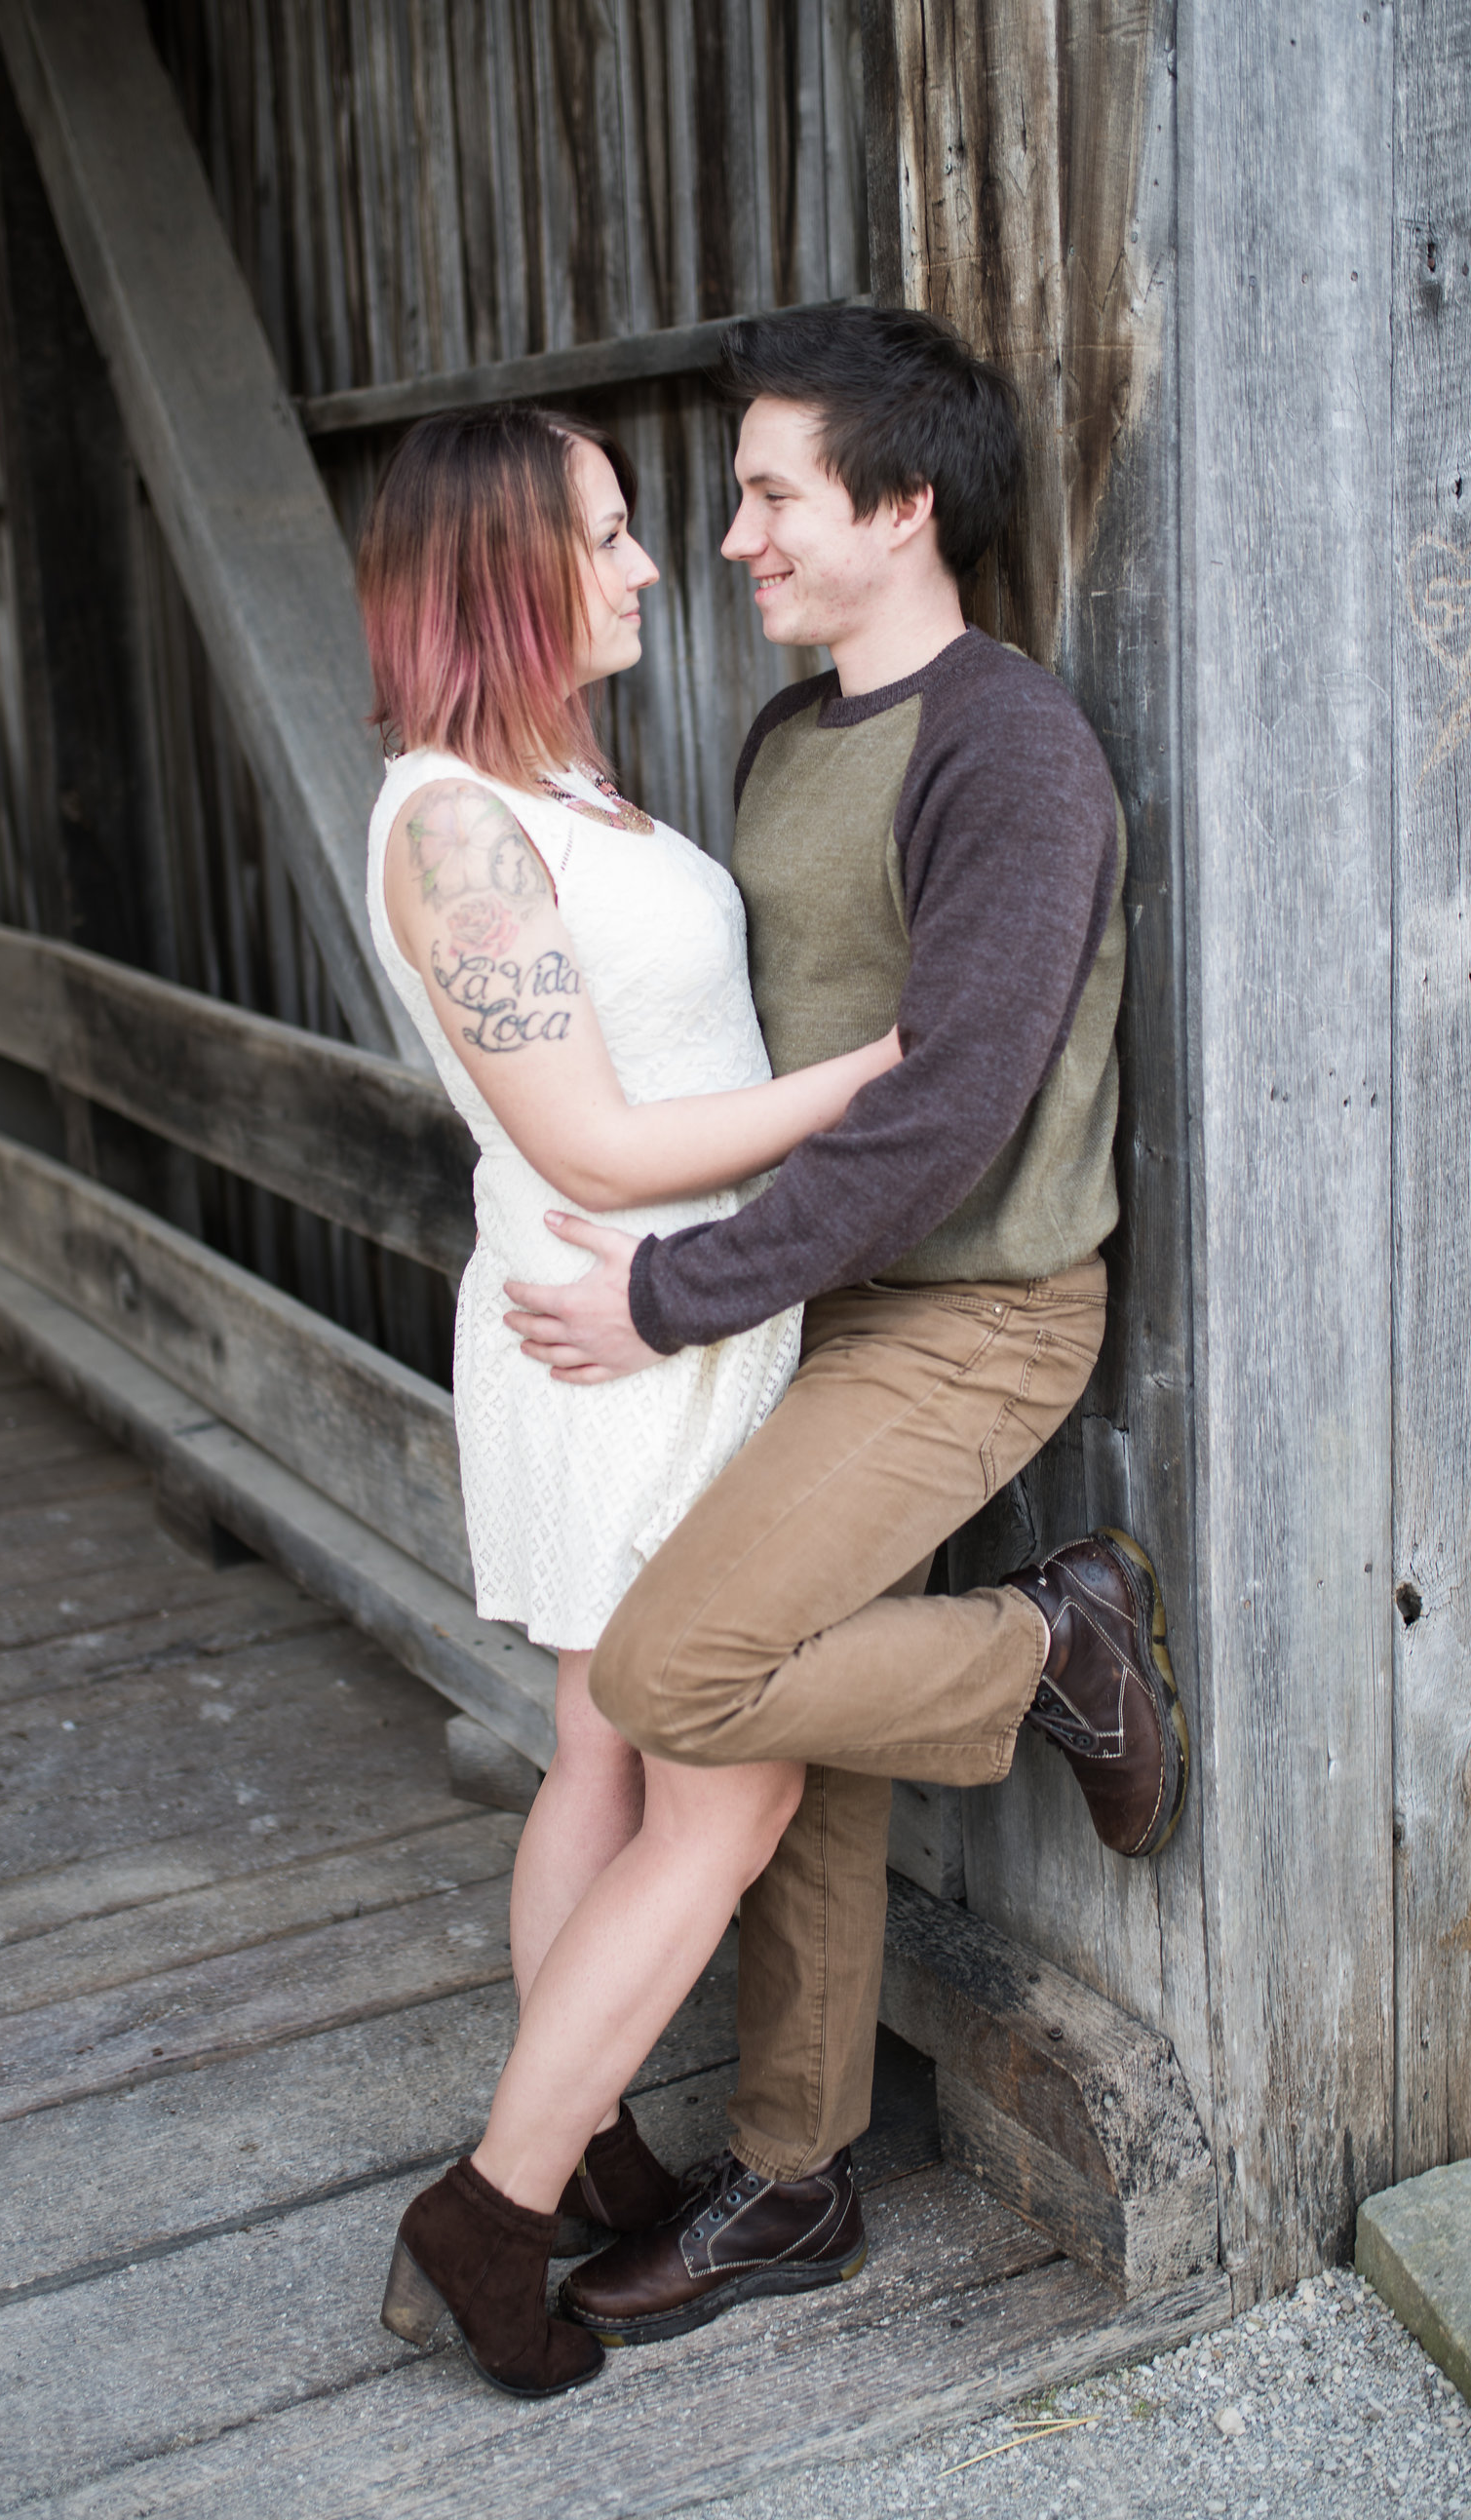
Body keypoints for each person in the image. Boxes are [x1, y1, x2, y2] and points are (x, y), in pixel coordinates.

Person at [502, 305, 1191, 2349]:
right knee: (787, 1724)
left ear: (902, 506)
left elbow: (946, 1103)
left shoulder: (1008, 745)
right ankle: (792, 2179)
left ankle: (1053, 1643)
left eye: (771, 494)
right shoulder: (788, 739)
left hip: (966, 1319)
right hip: (808, 1312)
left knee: (679, 1674)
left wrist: (664, 1295)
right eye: (731, 500)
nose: (731, 540)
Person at [354, 403, 902, 2397]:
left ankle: (577, 2154)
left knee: (600, 1756)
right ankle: (493, 2208)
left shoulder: (545, 789)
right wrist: (879, 1075)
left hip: (664, 1324)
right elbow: (585, 1125)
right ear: (501, 562)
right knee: (724, 1779)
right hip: (624, 1341)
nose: (649, 565)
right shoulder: (457, 827)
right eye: (604, 534)